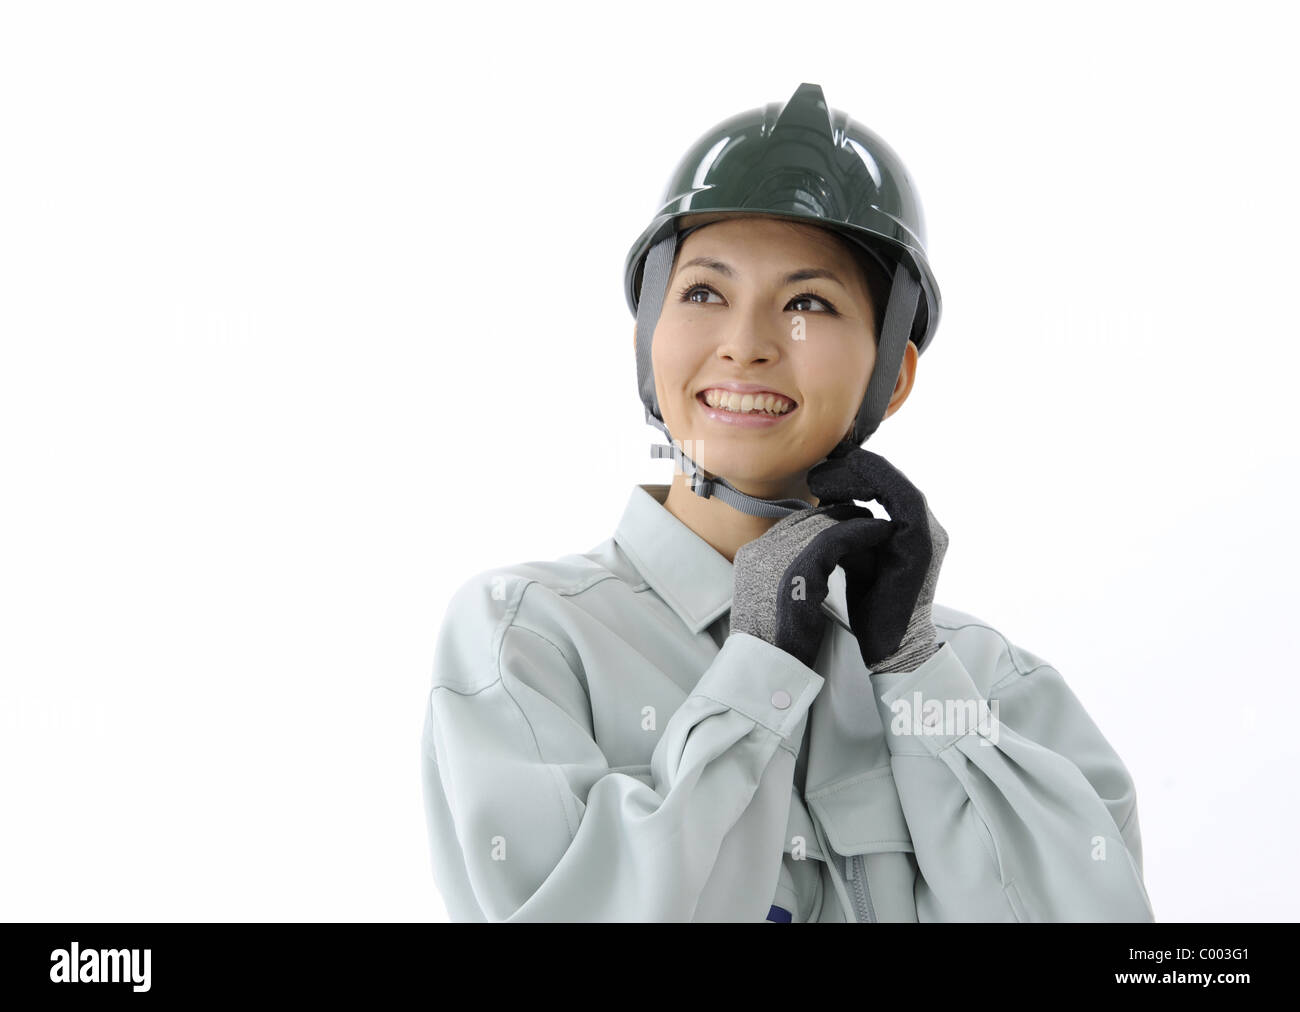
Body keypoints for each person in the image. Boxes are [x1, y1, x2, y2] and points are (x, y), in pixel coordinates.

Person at [418, 82, 1155, 922]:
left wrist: (915, 678)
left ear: (894, 374)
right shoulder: (527, 640)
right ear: (645, 338)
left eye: (809, 303)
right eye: (702, 294)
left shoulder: (989, 684)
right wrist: (759, 671)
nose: (747, 344)